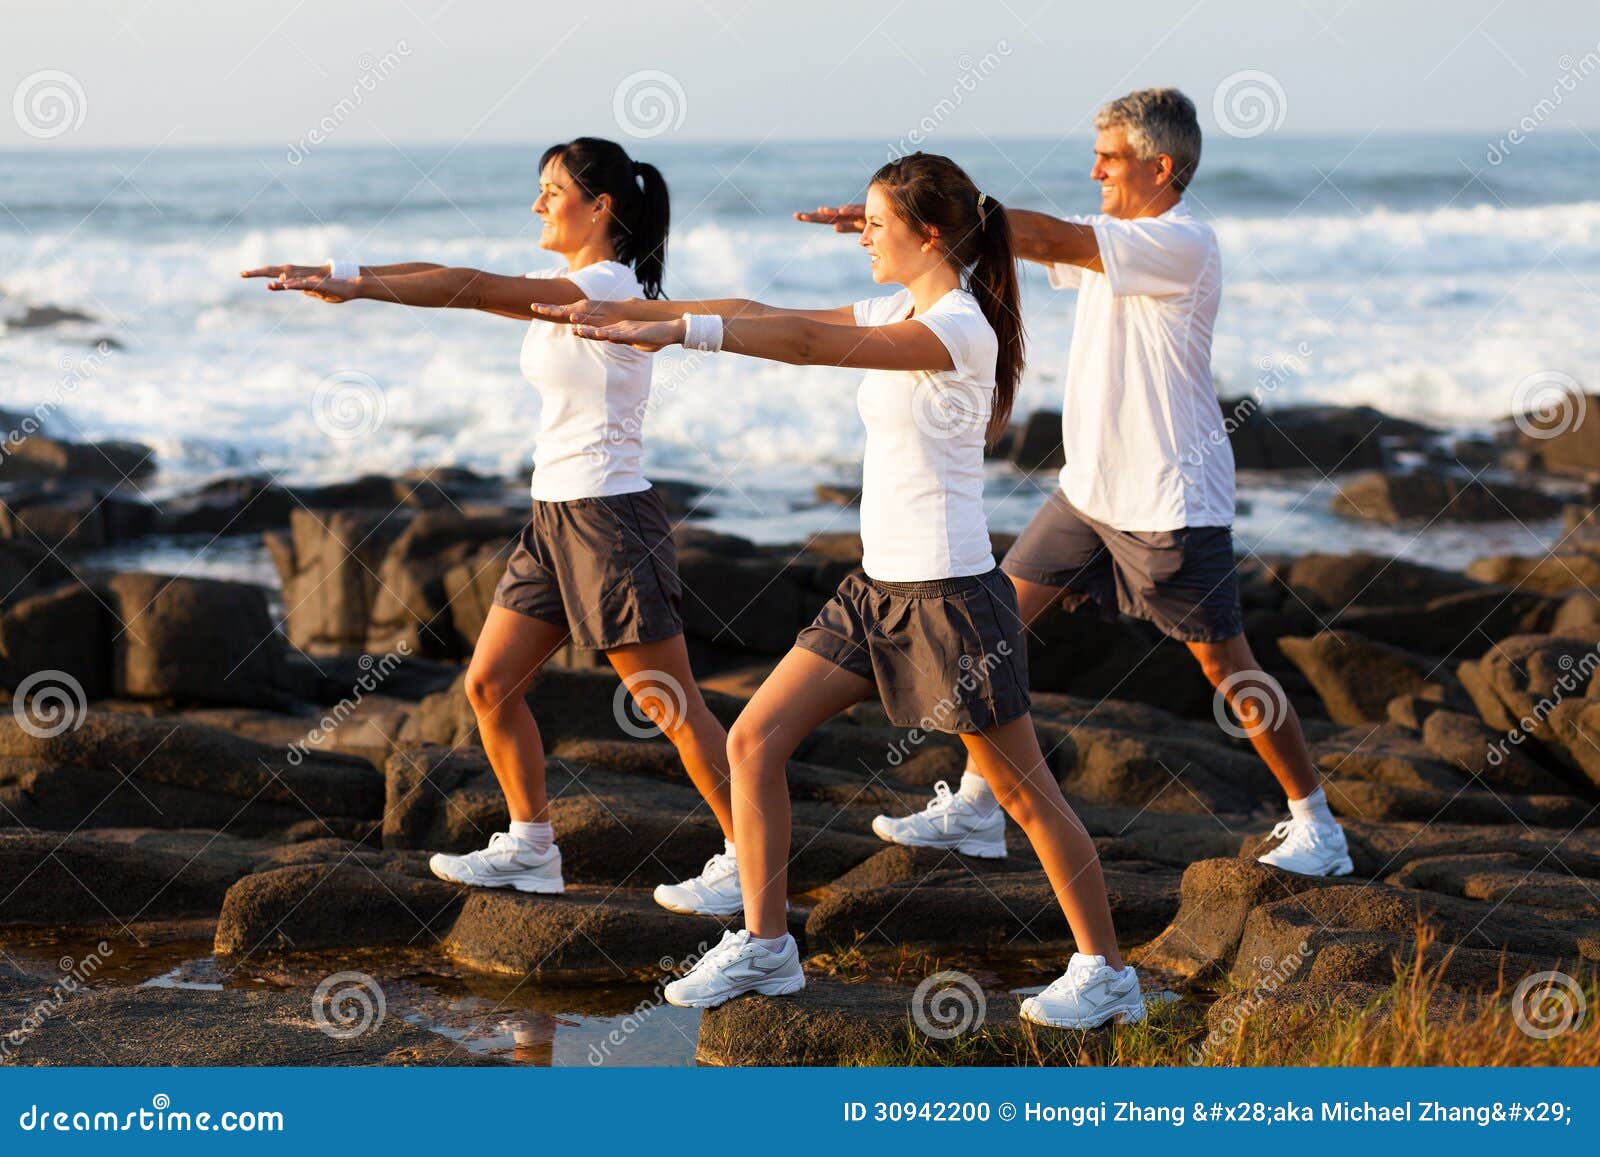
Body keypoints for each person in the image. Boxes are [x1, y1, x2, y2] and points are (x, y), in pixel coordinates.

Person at [532, 152, 1146, 1030]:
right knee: (752, 740)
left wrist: (683, 335)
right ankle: (768, 945)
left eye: (876, 224)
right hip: (874, 592)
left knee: (1022, 795)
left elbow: (815, 348)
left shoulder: (961, 327)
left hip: (949, 595)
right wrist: (645, 312)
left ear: (927, 234)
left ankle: (1106, 971)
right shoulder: (901, 302)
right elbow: (769, 314)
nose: (863, 237)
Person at [798, 90, 1352, 878]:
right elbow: (1026, 246)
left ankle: (1317, 825)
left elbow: (1051, 235)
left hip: (1167, 499)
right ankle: (978, 807)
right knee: (994, 632)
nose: (1094, 168)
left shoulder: (1179, 242)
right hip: (1085, 492)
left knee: (1225, 665)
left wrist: (933, 216)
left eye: (1111, 156)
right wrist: (906, 229)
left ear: (1161, 167)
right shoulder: (1117, 239)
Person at [242, 137, 750, 916]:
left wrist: (355, 284)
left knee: (667, 701)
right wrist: (352, 279)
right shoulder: (575, 283)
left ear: (600, 205)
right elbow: (464, 277)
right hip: (555, 517)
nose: (538, 203)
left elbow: (471, 285)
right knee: (487, 684)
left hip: (610, 519)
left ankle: (747, 859)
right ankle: (532, 848)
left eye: (552, 190)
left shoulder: (599, 289)